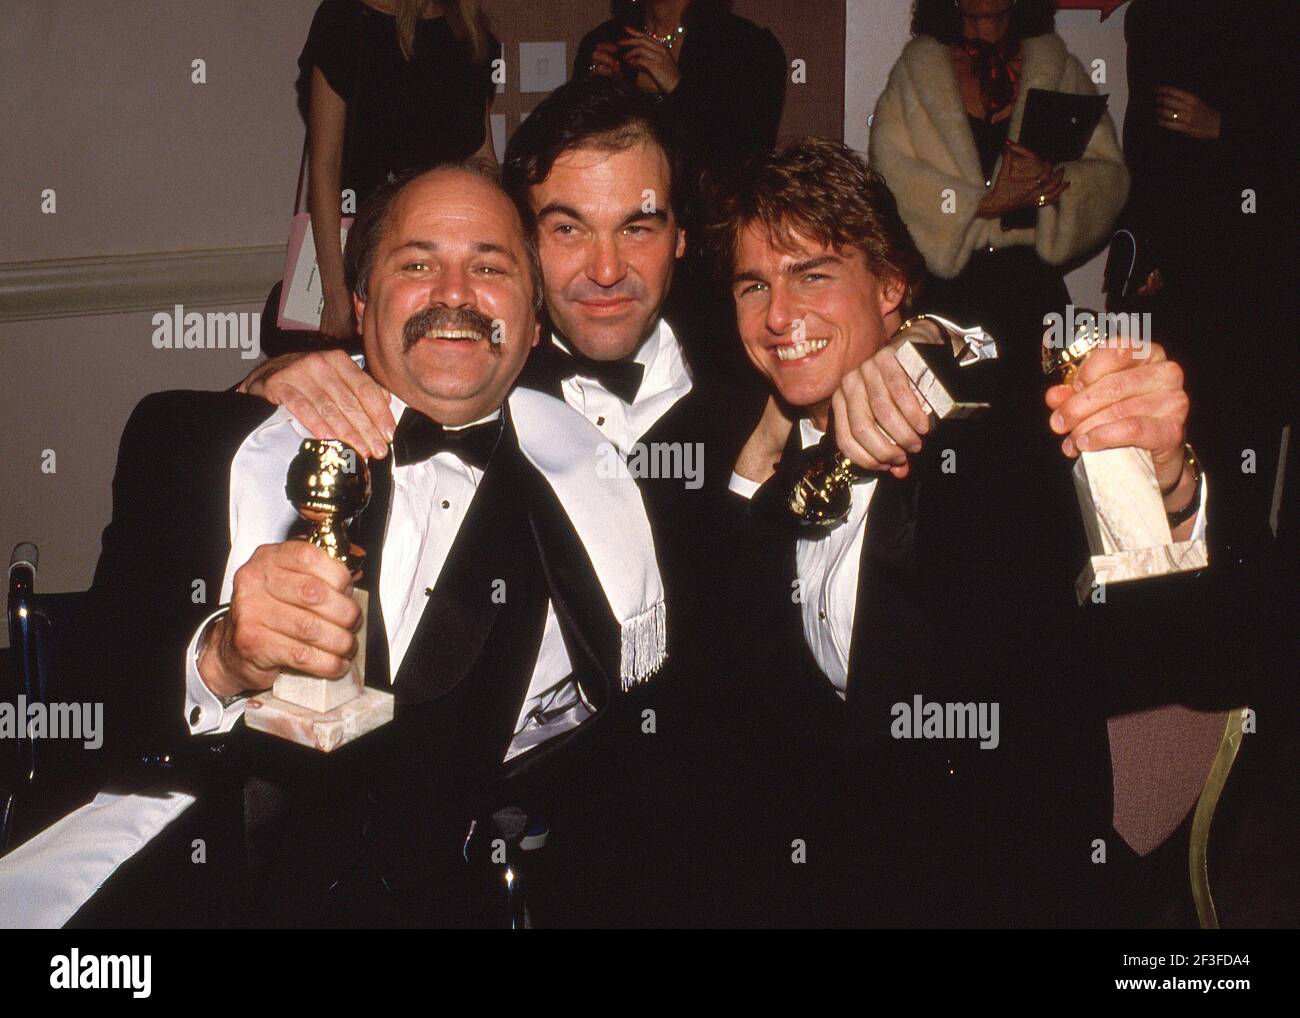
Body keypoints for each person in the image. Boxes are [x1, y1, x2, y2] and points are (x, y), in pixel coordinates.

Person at [78, 162, 666, 926]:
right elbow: (89, 705)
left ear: (533, 323)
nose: (454, 294)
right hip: (215, 902)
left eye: (489, 267)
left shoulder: (607, 489)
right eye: (417, 264)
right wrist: (219, 659)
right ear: (360, 304)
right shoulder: (195, 449)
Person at [708, 137, 1272, 926]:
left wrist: (1169, 490)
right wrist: (756, 461)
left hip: (1000, 880)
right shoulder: (754, 450)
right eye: (752, 285)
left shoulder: (989, 448)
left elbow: (1209, 645)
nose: (776, 316)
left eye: (813, 275)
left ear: (892, 287)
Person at [1114, 0, 1294, 571]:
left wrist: (1225, 127)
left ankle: (1247, 592)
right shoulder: (1151, 15)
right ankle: (1178, 595)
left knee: (1248, 448)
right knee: (1173, 437)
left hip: (1257, 272)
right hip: (1179, 275)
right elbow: (1142, 140)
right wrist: (1142, 246)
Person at [869, 0, 1128, 397]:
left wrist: (1049, 188)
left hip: (1032, 294)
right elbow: (892, 178)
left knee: (1039, 434)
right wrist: (984, 204)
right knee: (946, 438)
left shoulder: (1056, 67)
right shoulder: (918, 71)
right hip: (944, 297)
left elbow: (1108, 176)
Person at [575, 1, 788, 388]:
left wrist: (677, 87)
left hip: (712, 262)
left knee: (716, 388)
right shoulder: (606, 42)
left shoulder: (747, 47)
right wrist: (594, 90)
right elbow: (583, 164)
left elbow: (748, 160)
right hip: (628, 248)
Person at [287, 0, 500, 347]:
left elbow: (481, 154)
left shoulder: (471, 33)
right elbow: (325, 167)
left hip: (452, 251)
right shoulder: (347, 21)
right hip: (372, 256)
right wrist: (335, 289)